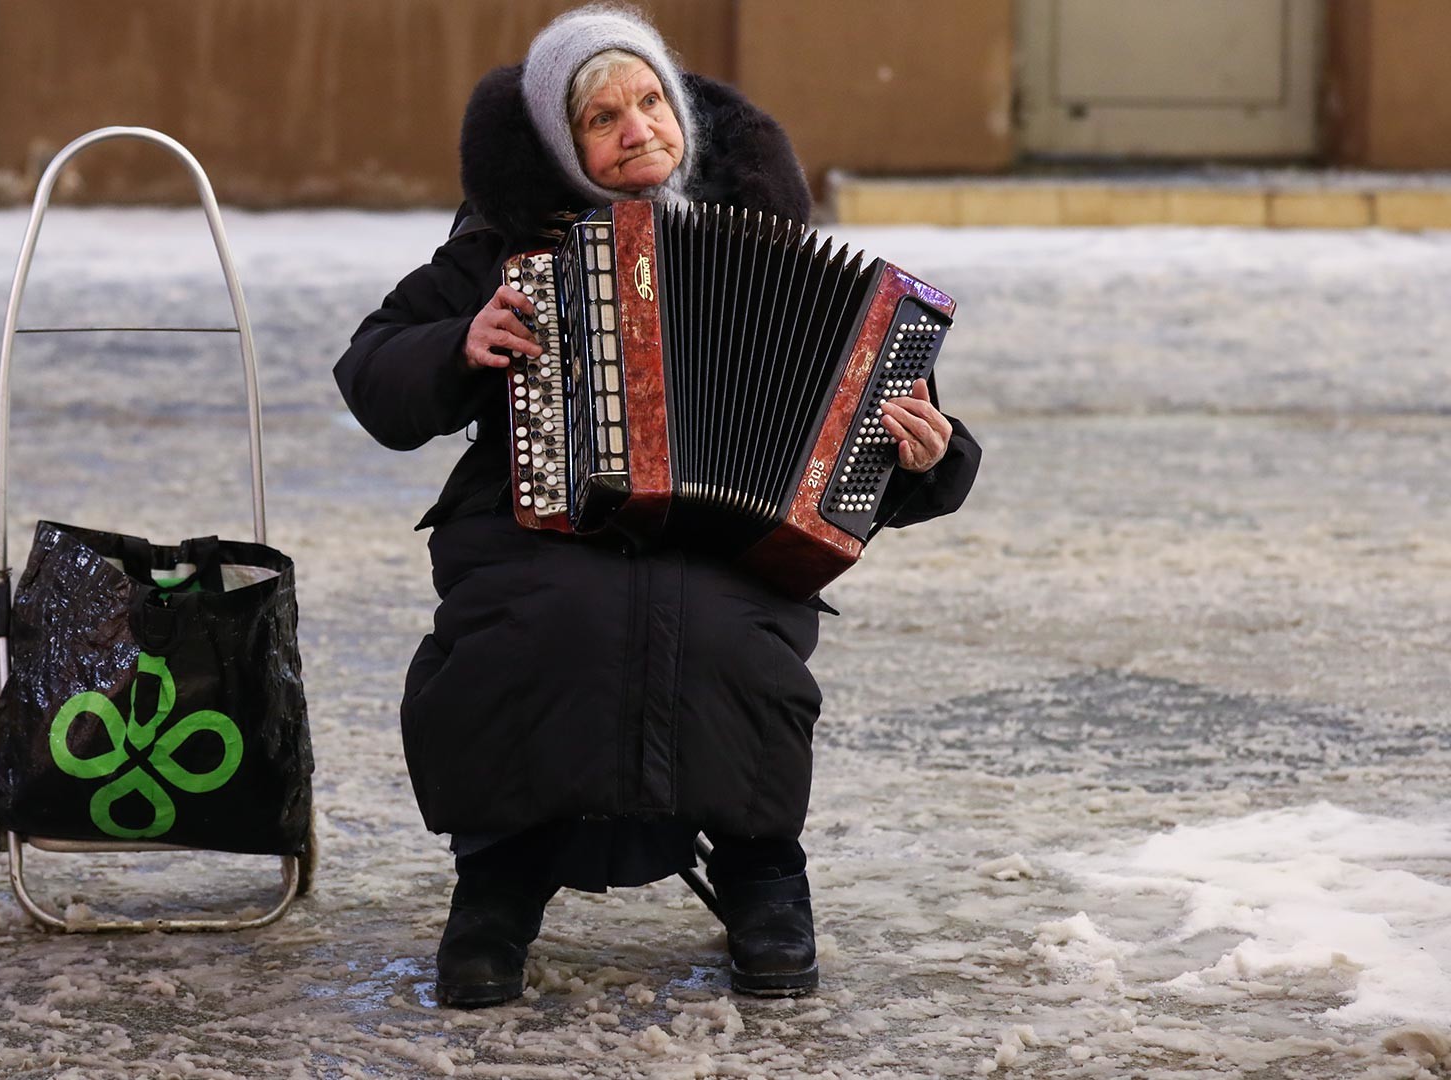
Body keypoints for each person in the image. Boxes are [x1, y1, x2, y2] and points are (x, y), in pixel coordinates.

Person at [334, 5, 980, 1007]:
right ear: (561, 141)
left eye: (650, 102)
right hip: (535, 522)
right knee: (541, 625)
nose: (637, 129)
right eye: (603, 117)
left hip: (726, 542)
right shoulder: (502, 253)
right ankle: (498, 880)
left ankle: (764, 869)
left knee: (732, 638)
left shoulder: (767, 238)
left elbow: (884, 421)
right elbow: (372, 371)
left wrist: (926, 456)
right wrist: (462, 342)